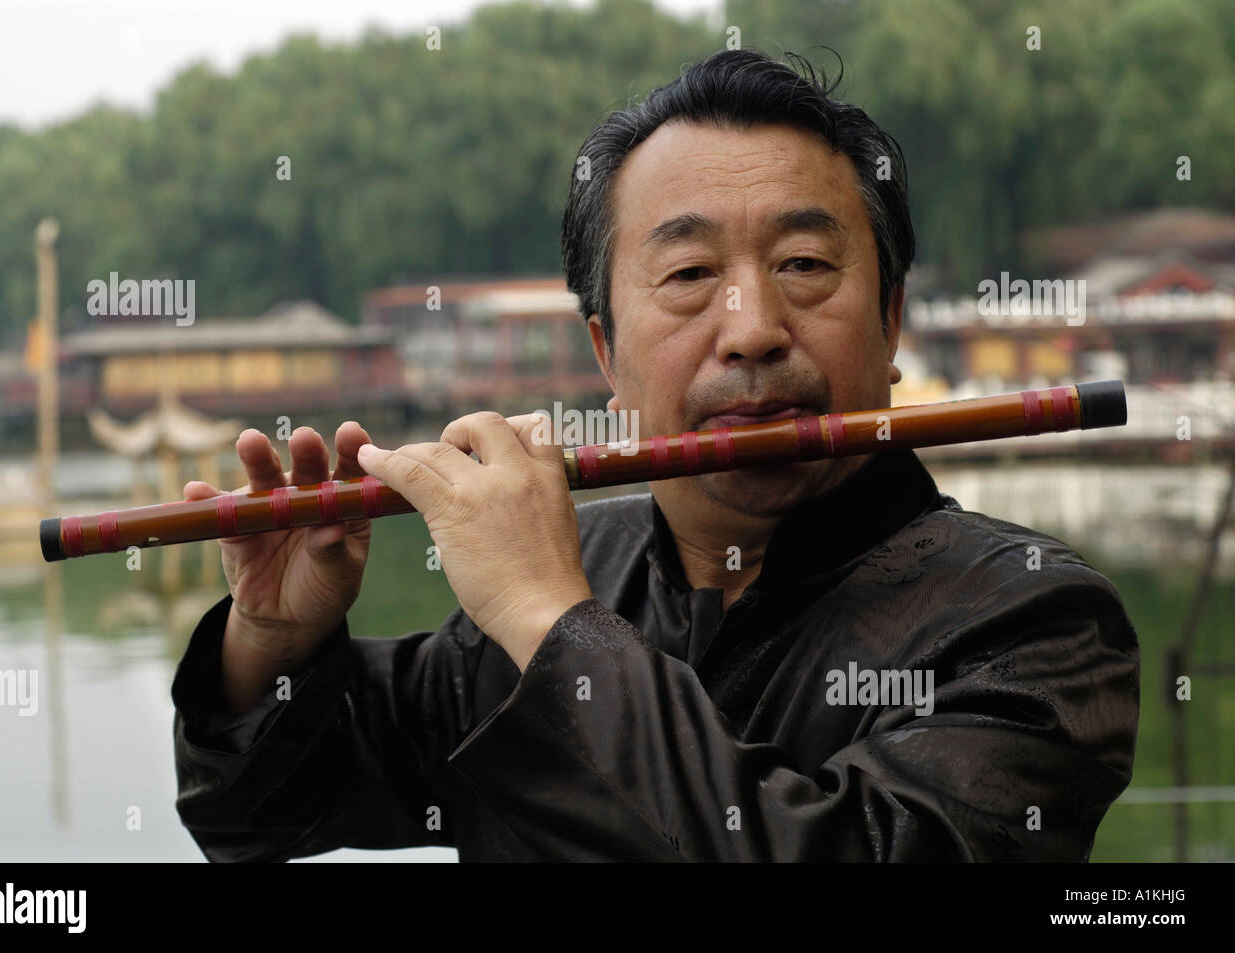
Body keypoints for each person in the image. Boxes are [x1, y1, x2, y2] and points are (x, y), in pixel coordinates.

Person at [170, 48, 1139, 861]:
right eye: (687, 273)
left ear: (890, 326)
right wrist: (272, 639)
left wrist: (551, 622)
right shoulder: (566, 571)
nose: (752, 328)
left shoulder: (1031, 621)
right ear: (606, 354)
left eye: (803, 264)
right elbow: (257, 811)